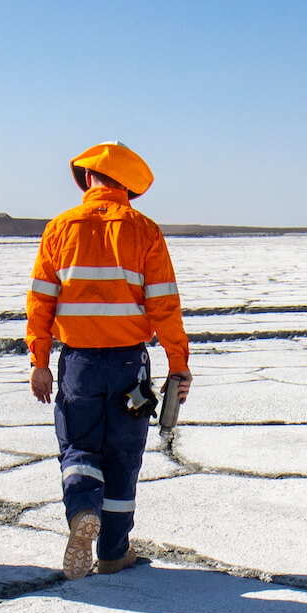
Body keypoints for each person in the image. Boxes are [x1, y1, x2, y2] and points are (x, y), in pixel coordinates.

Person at [26, 141, 191, 580]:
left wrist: (39, 361)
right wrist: (179, 362)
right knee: (122, 454)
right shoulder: (144, 230)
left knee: (79, 447)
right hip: (129, 369)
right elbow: (164, 305)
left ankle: (82, 509)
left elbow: (40, 302)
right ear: (126, 184)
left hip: (77, 364)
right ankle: (114, 551)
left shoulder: (60, 228)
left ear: (89, 178)